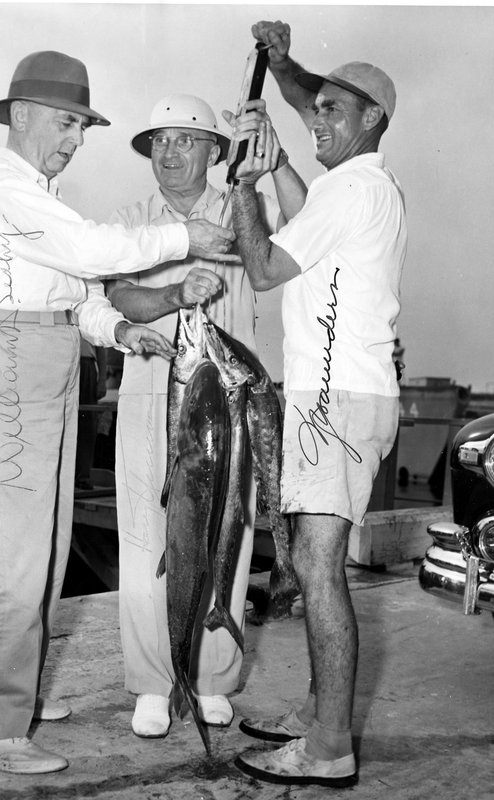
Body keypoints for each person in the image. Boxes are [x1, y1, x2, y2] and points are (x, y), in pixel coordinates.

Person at [0, 51, 237, 775]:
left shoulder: (41, 197)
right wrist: (183, 238)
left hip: (47, 360)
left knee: (43, 543)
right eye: (69, 122)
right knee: (11, 553)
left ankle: (18, 693)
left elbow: (79, 292)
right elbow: (91, 250)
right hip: (4, 357)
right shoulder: (3, 186)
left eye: (82, 127)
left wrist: (122, 331)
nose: (76, 139)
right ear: (21, 116)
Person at [225, 21, 407, 787]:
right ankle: (318, 711)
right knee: (306, 559)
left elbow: (264, 268)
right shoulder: (348, 190)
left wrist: (241, 181)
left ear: (371, 122)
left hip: (337, 401)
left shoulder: (355, 185)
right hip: (333, 396)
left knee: (320, 569)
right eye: (316, 108)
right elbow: (304, 226)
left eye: (336, 110)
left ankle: (330, 746)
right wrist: (281, 165)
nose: (320, 119)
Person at [105, 94, 307, 739]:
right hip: (151, 399)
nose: (168, 153)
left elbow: (302, 222)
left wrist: (270, 158)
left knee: (230, 529)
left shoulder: (243, 203)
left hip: (235, 403)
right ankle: (153, 684)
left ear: (216, 151)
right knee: (144, 541)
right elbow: (120, 295)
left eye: (185, 141)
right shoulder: (130, 220)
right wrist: (171, 292)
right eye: (158, 142)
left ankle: (215, 676)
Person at [74, 338, 107, 493]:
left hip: (86, 366)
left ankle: (83, 477)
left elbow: (100, 348)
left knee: (86, 423)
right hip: (62, 361)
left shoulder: (90, 315)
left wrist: (102, 380)